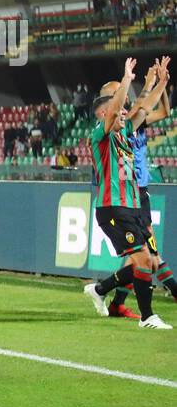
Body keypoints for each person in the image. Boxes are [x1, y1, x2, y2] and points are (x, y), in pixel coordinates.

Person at [81, 57, 170, 329]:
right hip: (112, 208)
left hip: (130, 206)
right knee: (144, 259)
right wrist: (127, 79)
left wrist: (162, 82)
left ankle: (101, 291)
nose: (124, 114)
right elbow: (114, 112)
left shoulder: (125, 133)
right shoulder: (100, 134)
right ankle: (147, 316)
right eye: (118, 112)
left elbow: (144, 108)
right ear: (103, 114)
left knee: (147, 262)